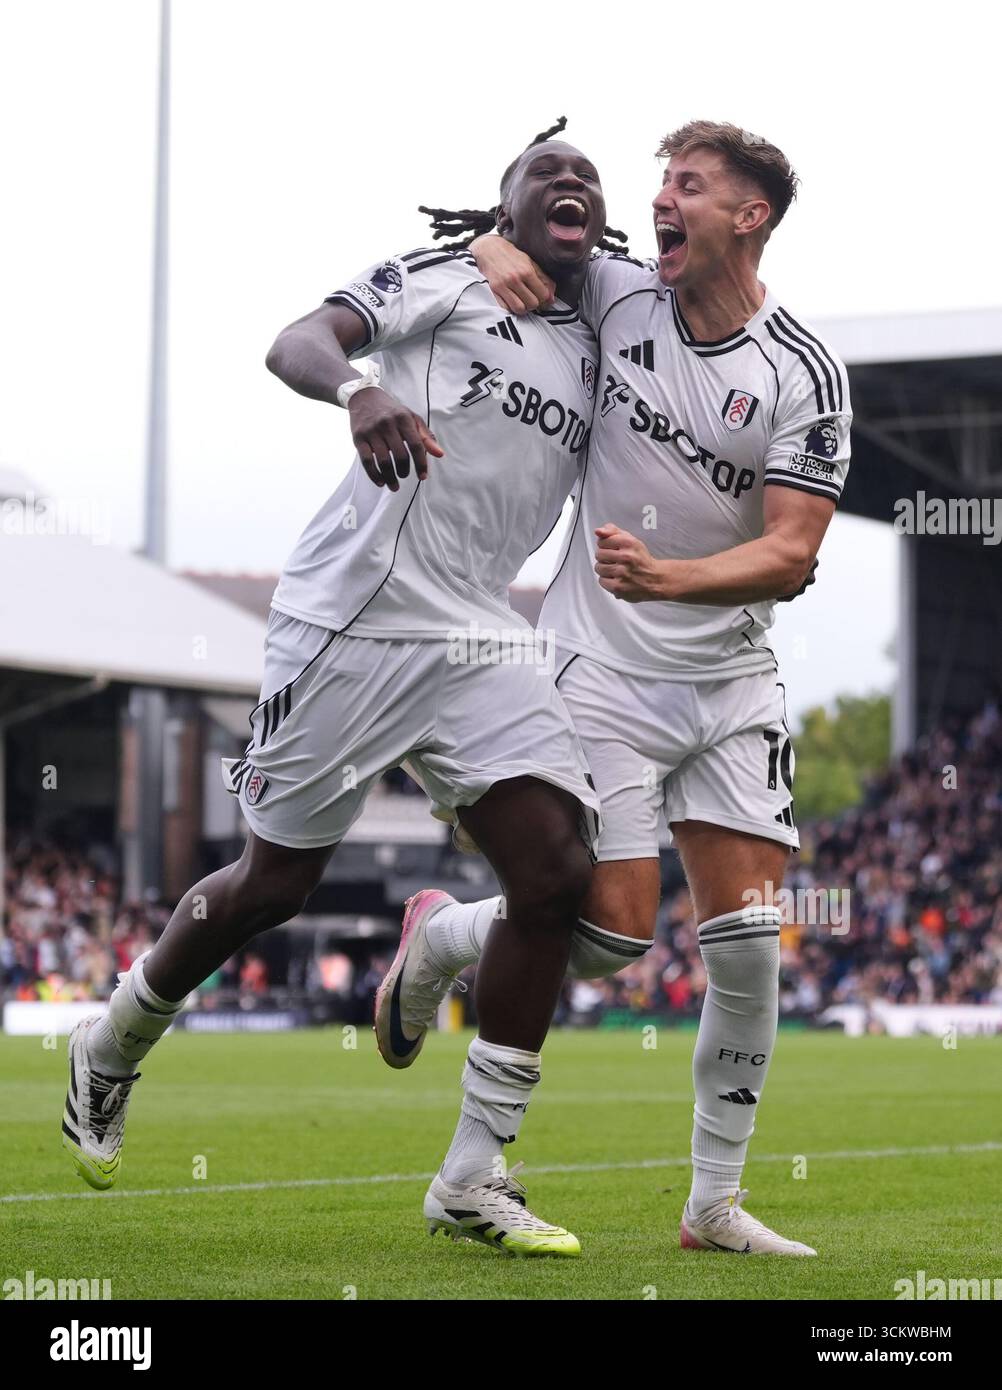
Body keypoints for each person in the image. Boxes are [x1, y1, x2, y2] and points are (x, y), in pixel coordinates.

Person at [61, 123, 626, 1257]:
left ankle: (474, 1174)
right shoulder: (444, 278)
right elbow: (297, 338)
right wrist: (360, 391)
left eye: (588, 180)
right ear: (500, 211)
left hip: (476, 628)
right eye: (542, 175)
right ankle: (110, 1044)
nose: (571, 182)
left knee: (558, 874)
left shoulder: (603, 326)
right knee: (275, 884)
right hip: (354, 614)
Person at [379, 120, 852, 1256]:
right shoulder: (618, 294)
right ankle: (444, 937)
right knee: (611, 937)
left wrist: (673, 575)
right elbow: (524, 238)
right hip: (601, 673)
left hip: (732, 682)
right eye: (661, 184)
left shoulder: (805, 372)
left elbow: (793, 551)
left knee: (749, 943)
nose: (661, 202)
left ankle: (714, 1206)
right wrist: (494, 241)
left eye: (688, 186)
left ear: (751, 215)